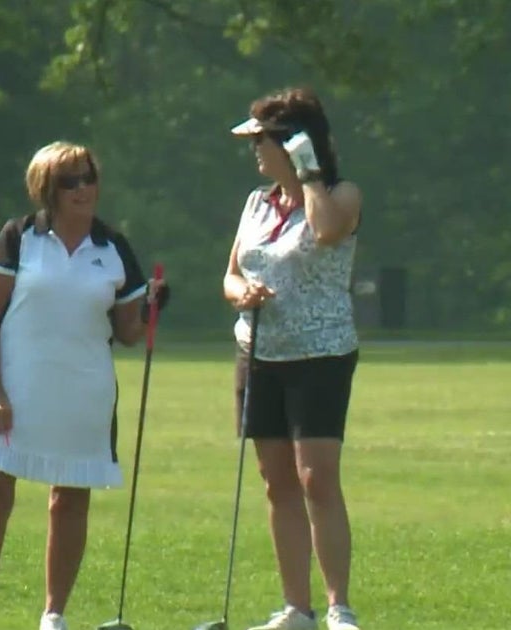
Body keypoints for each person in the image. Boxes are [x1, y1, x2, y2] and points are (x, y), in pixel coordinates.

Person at [0, 141, 164, 630]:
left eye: (88, 177)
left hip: (84, 390)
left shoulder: (114, 248)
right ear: (47, 188)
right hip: (16, 387)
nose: (83, 189)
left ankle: (53, 615)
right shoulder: (19, 237)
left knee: (70, 497)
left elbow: (129, 332)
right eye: (69, 181)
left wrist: (153, 305)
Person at [224, 87, 363, 630]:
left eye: (263, 140)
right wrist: (240, 294)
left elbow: (327, 231)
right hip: (258, 353)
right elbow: (232, 273)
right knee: (276, 481)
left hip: (320, 354)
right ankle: (296, 609)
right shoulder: (257, 202)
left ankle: (337, 607)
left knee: (316, 479)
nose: (256, 151)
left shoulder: (341, 194)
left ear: (295, 143)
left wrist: (306, 172)